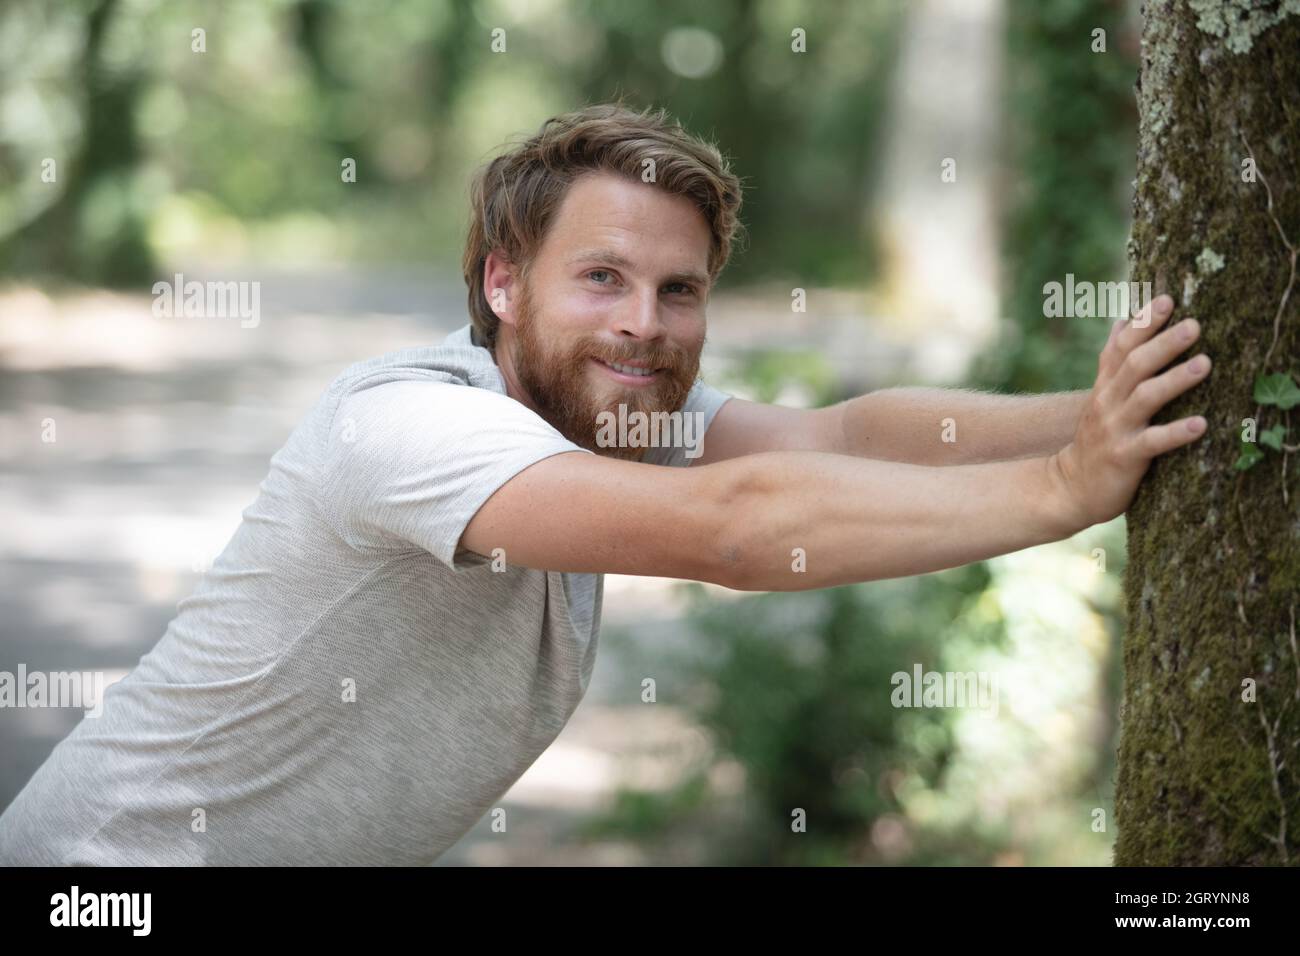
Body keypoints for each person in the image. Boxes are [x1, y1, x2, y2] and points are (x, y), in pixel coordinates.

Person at [0, 102, 1210, 865]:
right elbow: (737, 534)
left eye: (677, 290)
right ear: (500, 284)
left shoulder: (614, 416)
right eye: (601, 278)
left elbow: (841, 435)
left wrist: (1107, 416)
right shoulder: (410, 427)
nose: (643, 325)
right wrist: (1063, 487)